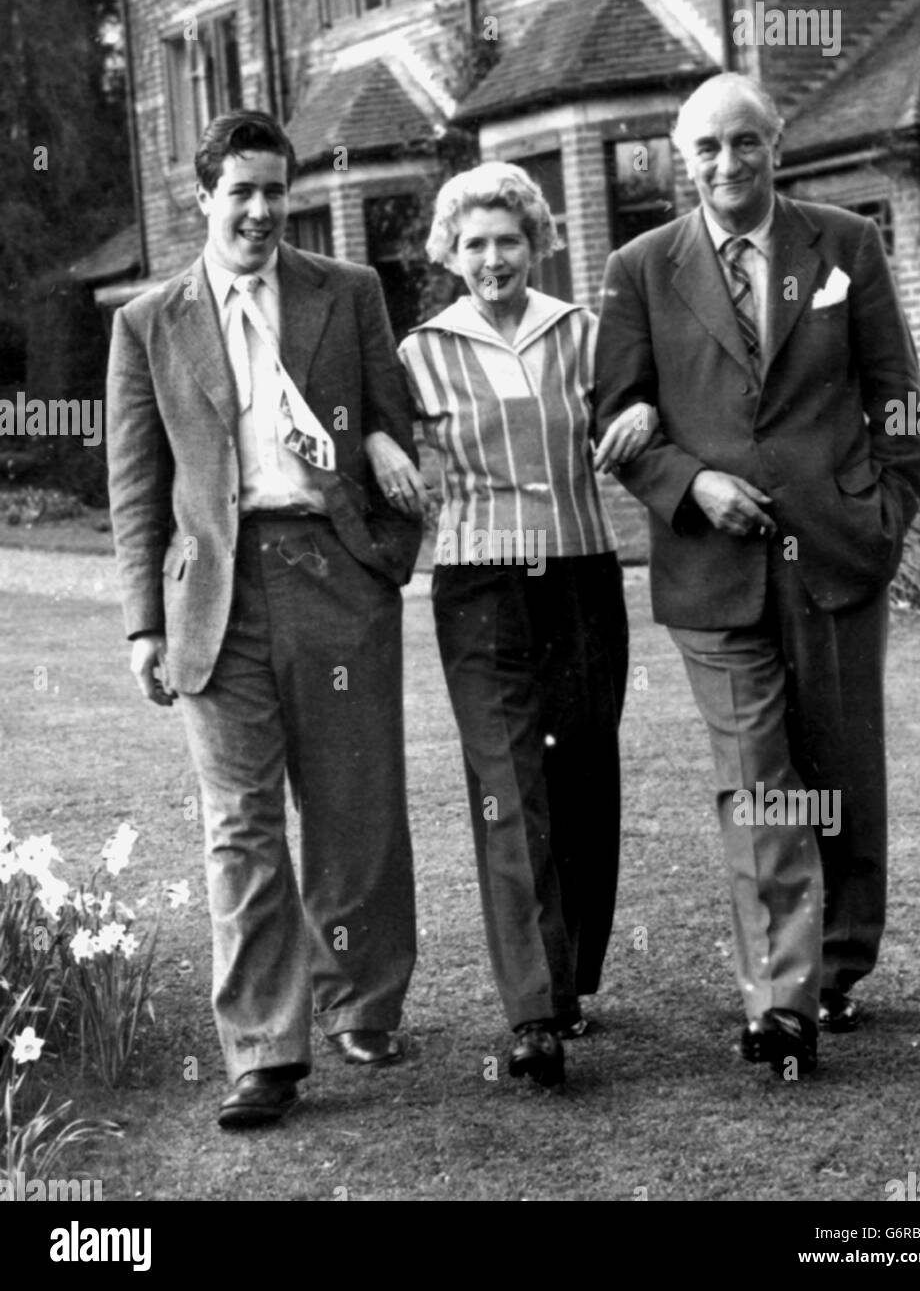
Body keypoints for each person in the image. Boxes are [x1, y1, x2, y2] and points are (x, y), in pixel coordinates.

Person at [594, 73, 920, 1077]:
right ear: (676, 156)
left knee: (836, 773)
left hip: (833, 554)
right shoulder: (638, 269)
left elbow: (897, 402)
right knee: (756, 781)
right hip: (712, 572)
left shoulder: (844, 246)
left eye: (744, 143)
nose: (726, 164)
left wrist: (882, 517)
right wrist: (690, 484)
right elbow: (612, 425)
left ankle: (837, 963)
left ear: (774, 144)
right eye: (704, 147)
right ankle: (778, 1001)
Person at [106, 109, 422, 1129]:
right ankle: (261, 1048)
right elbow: (135, 488)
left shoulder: (348, 291)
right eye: (238, 189)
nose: (257, 209)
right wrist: (142, 624)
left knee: (352, 806)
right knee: (238, 824)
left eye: (273, 190)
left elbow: (392, 415)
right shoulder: (148, 323)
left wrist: (380, 455)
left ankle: (361, 1002)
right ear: (202, 197)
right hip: (216, 596)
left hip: (335, 576)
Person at [369, 162, 651, 1086]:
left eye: (509, 241)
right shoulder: (419, 352)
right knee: (506, 782)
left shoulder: (584, 333)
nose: (493, 259)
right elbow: (368, 425)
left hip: (579, 575)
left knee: (580, 775)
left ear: (537, 245)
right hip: (477, 585)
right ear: (450, 253)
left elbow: (642, 404)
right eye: (475, 244)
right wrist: (379, 439)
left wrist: (642, 411)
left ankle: (569, 980)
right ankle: (531, 1013)